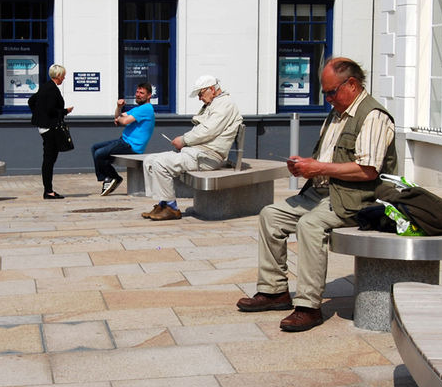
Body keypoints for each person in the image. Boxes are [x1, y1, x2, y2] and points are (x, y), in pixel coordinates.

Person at [236, 58, 396, 332]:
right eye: (325, 93)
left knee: (309, 225)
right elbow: (330, 159)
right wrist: (307, 166)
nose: (328, 99)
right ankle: (274, 291)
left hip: (358, 198)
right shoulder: (336, 113)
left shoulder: (373, 116)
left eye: (332, 92)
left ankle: (309, 306)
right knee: (270, 215)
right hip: (323, 191)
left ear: (353, 85)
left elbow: (368, 171)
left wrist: (319, 167)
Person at [141, 75, 242, 221]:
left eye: (201, 94)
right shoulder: (215, 104)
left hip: (208, 156)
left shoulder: (225, 104)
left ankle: (171, 208)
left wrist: (183, 140)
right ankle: (162, 203)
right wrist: (185, 142)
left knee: (160, 163)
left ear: (212, 90)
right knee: (150, 160)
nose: (200, 98)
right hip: (197, 152)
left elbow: (209, 130)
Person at [91, 82, 156, 196]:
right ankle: (108, 177)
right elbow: (117, 117)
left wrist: (120, 118)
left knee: (99, 154)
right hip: (124, 141)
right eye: (137, 92)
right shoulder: (138, 109)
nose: (138, 95)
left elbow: (124, 121)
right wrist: (119, 107)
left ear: (149, 95)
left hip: (132, 146)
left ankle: (114, 177)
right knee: (94, 148)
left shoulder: (146, 108)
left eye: (142, 93)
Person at [28, 63, 73, 199]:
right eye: (63, 76)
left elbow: (31, 101)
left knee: (49, 158)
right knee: (49, 159)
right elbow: (51, 110)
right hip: (50, 128)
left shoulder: (45, 87)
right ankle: (48, 191)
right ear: (58, 76)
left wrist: (38, 115)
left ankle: (48, 189)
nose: (64, 78)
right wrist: (65, 111)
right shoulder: (52, 90)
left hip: (44, 127)